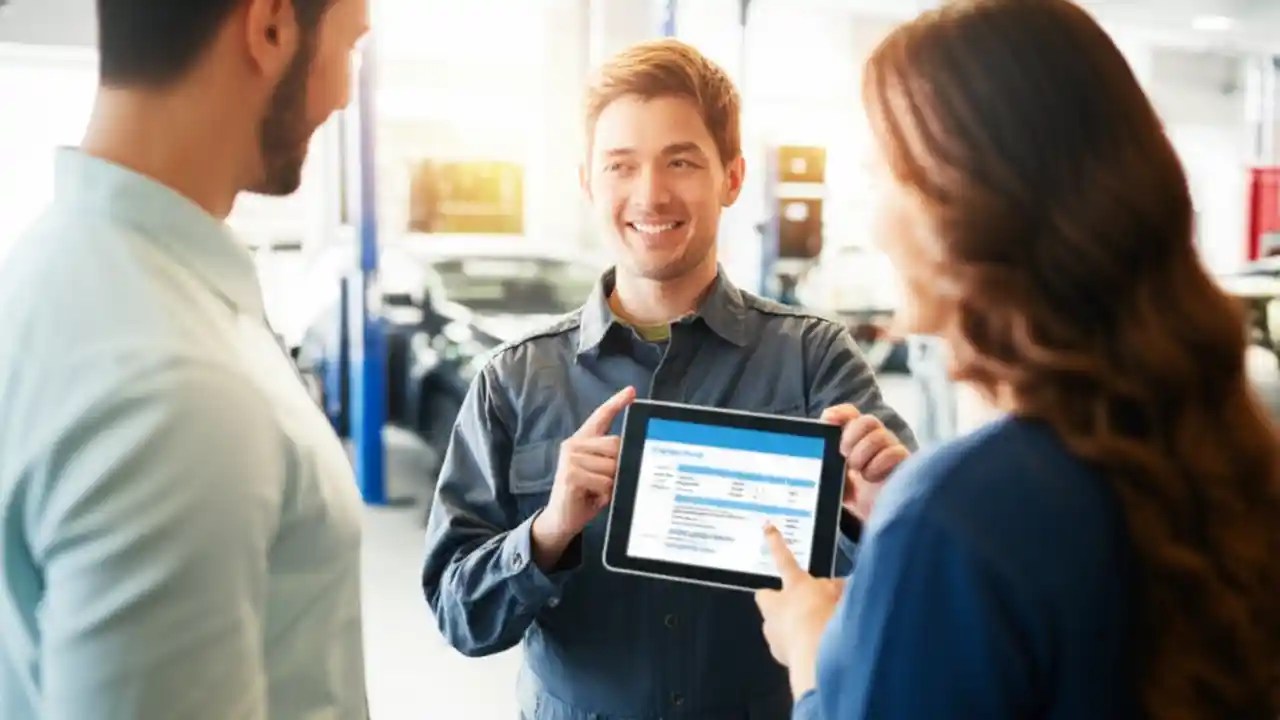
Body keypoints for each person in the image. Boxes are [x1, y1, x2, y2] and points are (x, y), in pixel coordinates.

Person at [754, 1, 1280, 718]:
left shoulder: (956, 515)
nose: (874, 223)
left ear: (967, 207)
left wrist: (813, 653)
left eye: (884, 180)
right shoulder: (1215, 446)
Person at [422, 39, 916, 719]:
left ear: (732, 178)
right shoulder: (516, 379)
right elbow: (459, 615)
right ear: (590, 183)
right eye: (621, 166)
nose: (650, 194)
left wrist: (889, 511)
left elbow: (913, 592)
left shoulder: (813, 361)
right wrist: (548, 531)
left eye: (680, 161)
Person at [0, 1, 371, 718]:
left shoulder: (49, 270)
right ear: (269, 28)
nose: (344, 93)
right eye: (349, 48)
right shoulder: (175, 389)